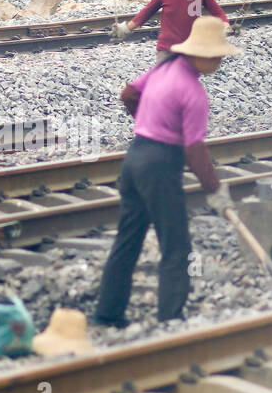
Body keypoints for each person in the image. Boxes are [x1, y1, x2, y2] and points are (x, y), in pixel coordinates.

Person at [93, 16, 241, 327]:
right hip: (159, 166)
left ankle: (108, 313)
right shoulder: (194, 92)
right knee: (176, 246)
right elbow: (194, 149)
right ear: (199, 54)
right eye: (216, 56)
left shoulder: (163, 70)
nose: (219, 62)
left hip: (135, 158)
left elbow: (128, 95)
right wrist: (215, 189)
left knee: (128, 239)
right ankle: (170, 319)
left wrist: (146, 122)